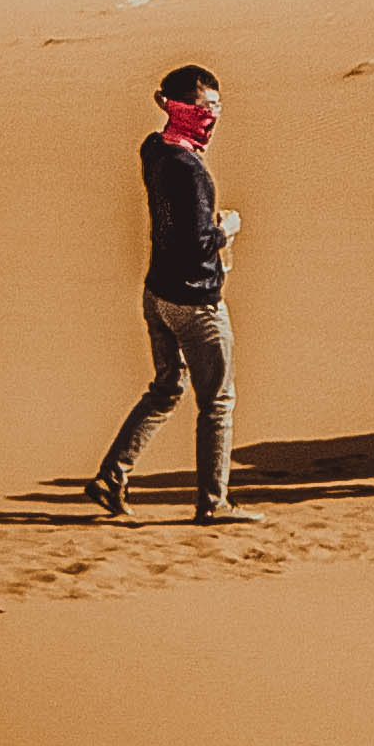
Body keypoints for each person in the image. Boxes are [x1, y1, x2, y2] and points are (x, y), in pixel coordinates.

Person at [79, 66, 247, 524]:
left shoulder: (155, 149)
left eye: (214, 107)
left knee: (168, 387)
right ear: (171, 105)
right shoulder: (187, 168)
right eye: (200, 108)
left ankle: (112, 475)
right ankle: (214, 502)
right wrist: (225, 230)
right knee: (218, 402)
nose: (209, 116)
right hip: (195, 303)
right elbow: (196, 244)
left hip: (158, 295)